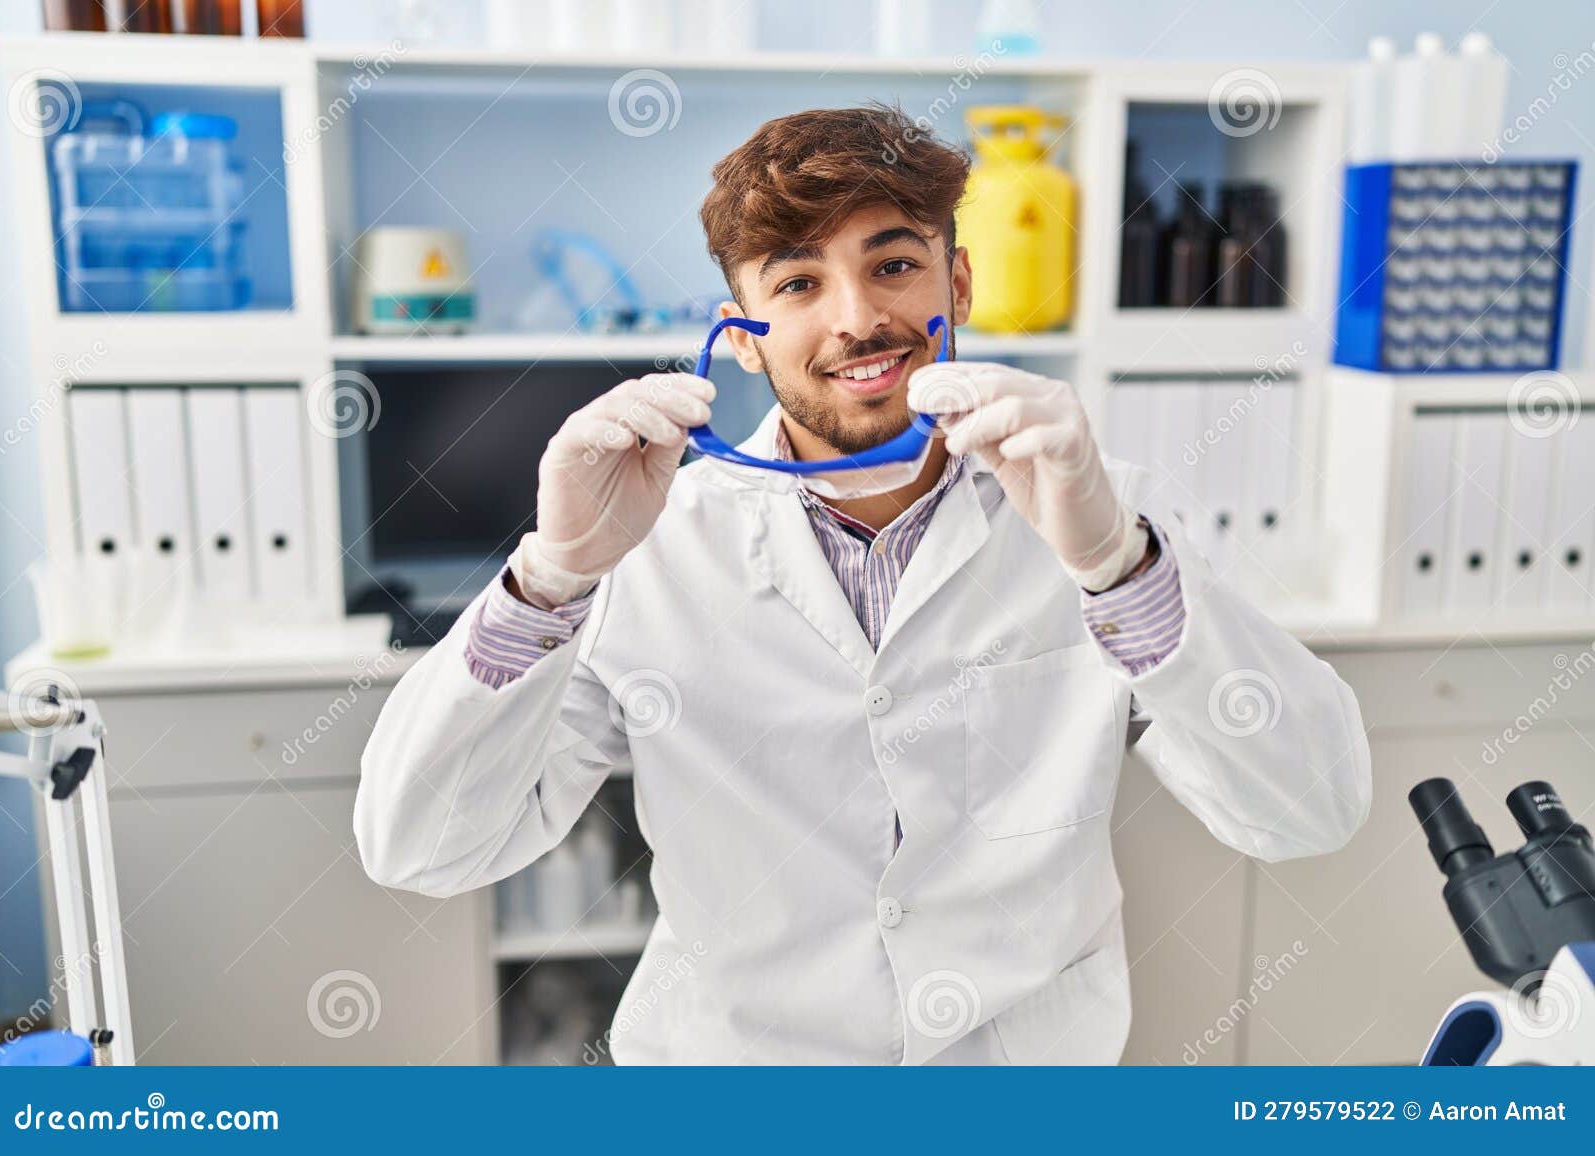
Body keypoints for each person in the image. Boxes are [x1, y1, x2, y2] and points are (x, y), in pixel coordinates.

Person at [355, 105, 1371, 1065]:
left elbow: (1307, 809)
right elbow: (423, 846)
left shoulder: (1109, 516)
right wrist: (550, 577)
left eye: (893, 264)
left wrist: (1116, 568)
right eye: (797, 283)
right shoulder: (648, 549)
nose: (857, 319)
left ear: (958, 284)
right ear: (742, 329)